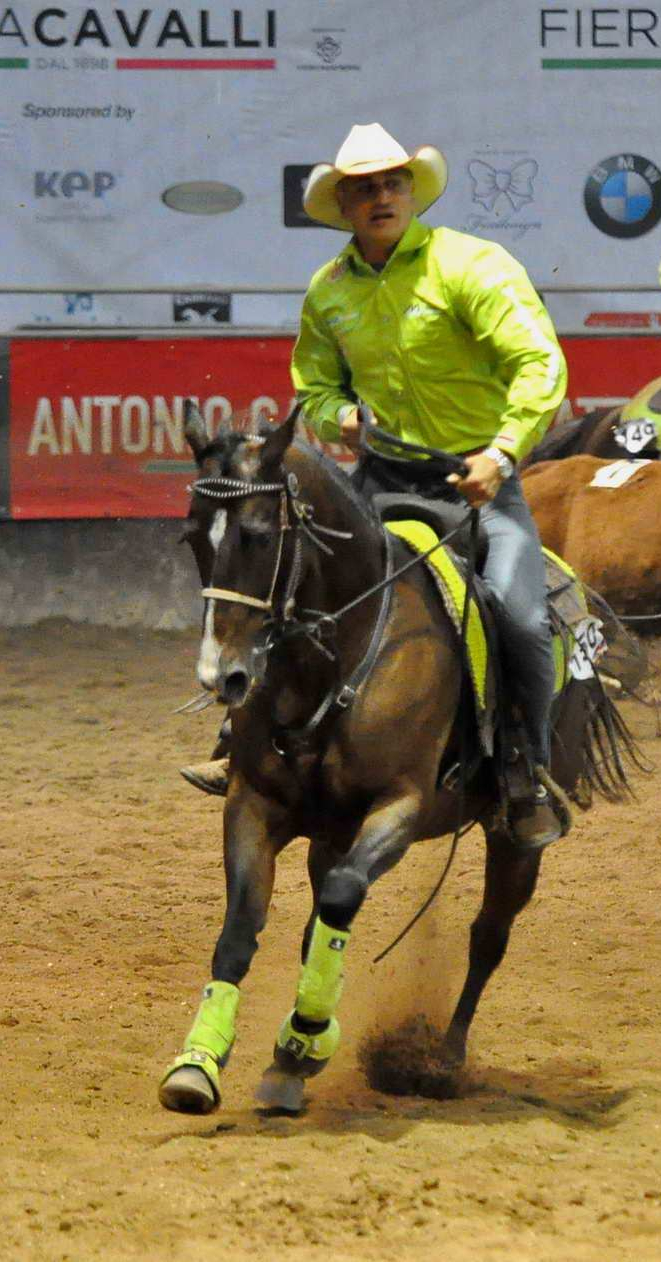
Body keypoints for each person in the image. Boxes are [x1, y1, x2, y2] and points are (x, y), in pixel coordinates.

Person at [181, 122, 569, 852]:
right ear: (346, 206)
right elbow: (315, 386)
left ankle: (524, 771)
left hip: (477, 485)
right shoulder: (328, 293)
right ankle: (242, 740)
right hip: (380, 481)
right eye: (364, 189)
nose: (381, 197)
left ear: (411, 193)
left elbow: (539, 365)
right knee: (288, 587)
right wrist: (341, 416)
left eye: (392, 184)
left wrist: (504, 452)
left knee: (519, 616)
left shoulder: (472, 267)